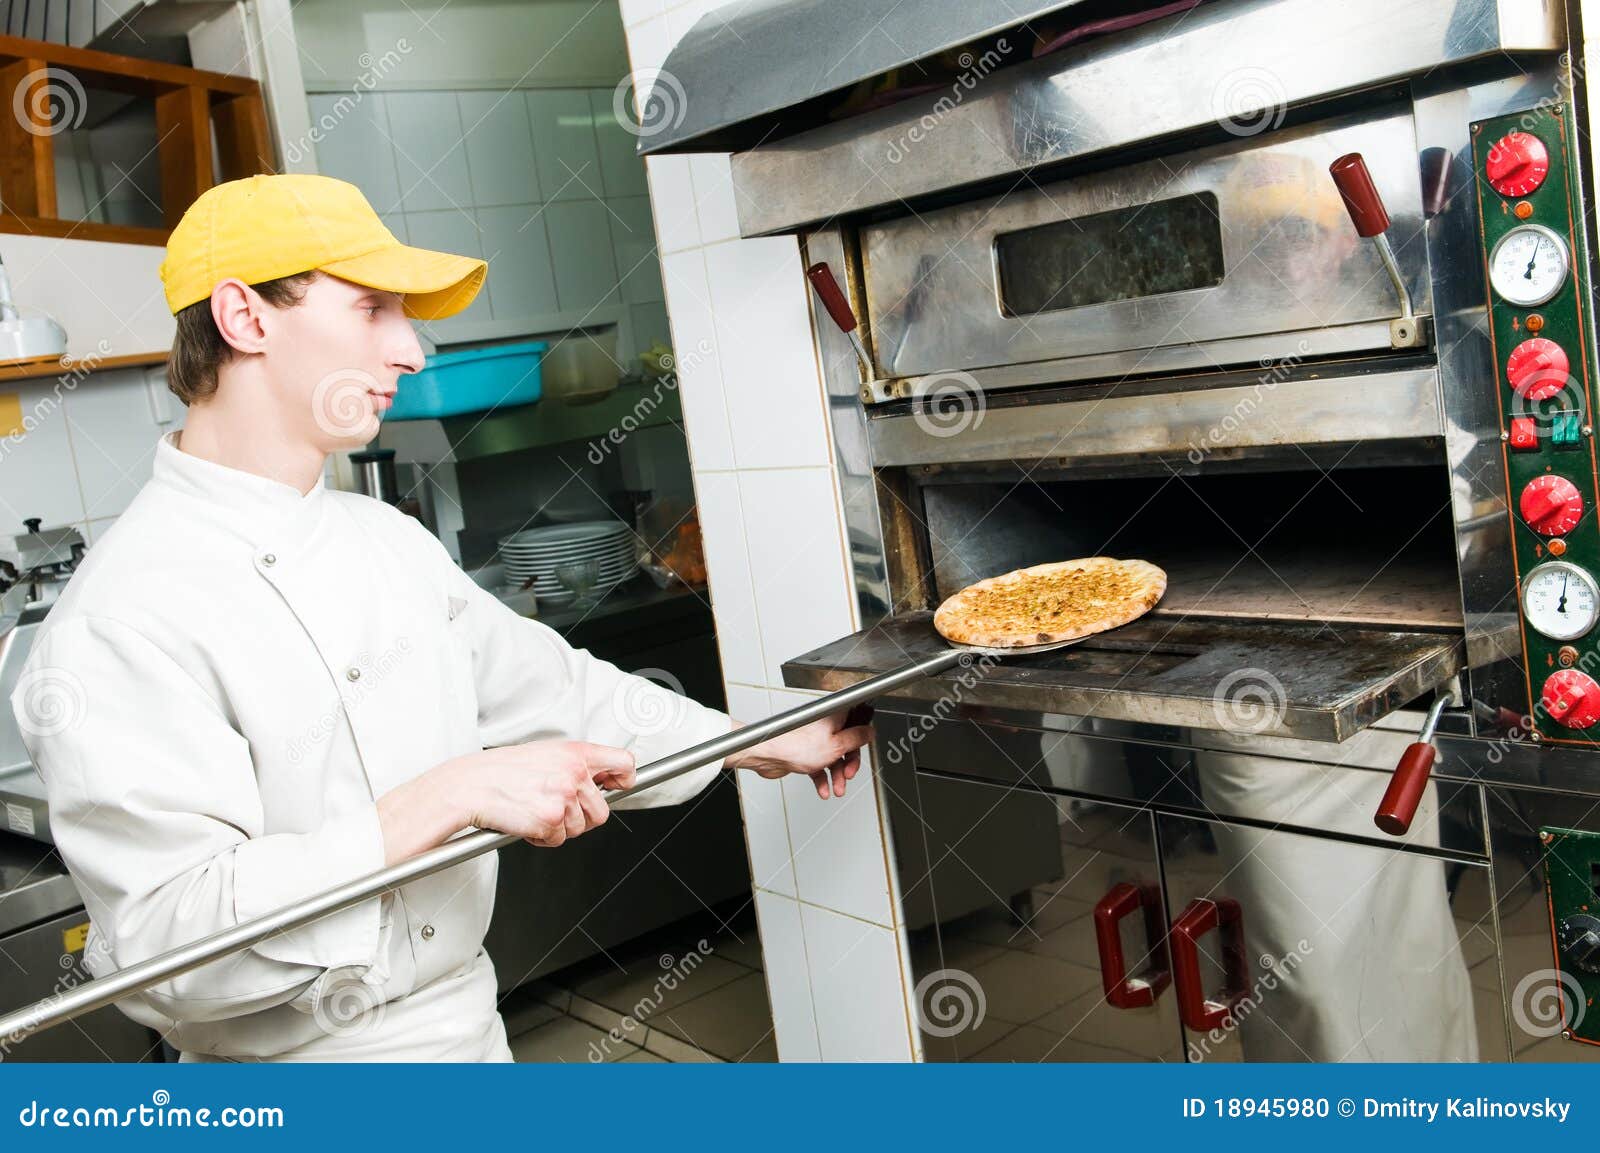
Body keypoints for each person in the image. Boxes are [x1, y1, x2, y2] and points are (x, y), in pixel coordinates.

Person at [9, 174, 871, 1062]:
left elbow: (555, 691)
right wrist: (443, 798)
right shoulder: (119, 616)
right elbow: (166, 945)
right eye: (374, 307)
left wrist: (756, 740)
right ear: (245, 318)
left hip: (471, 1040)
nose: (414, 352)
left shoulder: (384, 538)